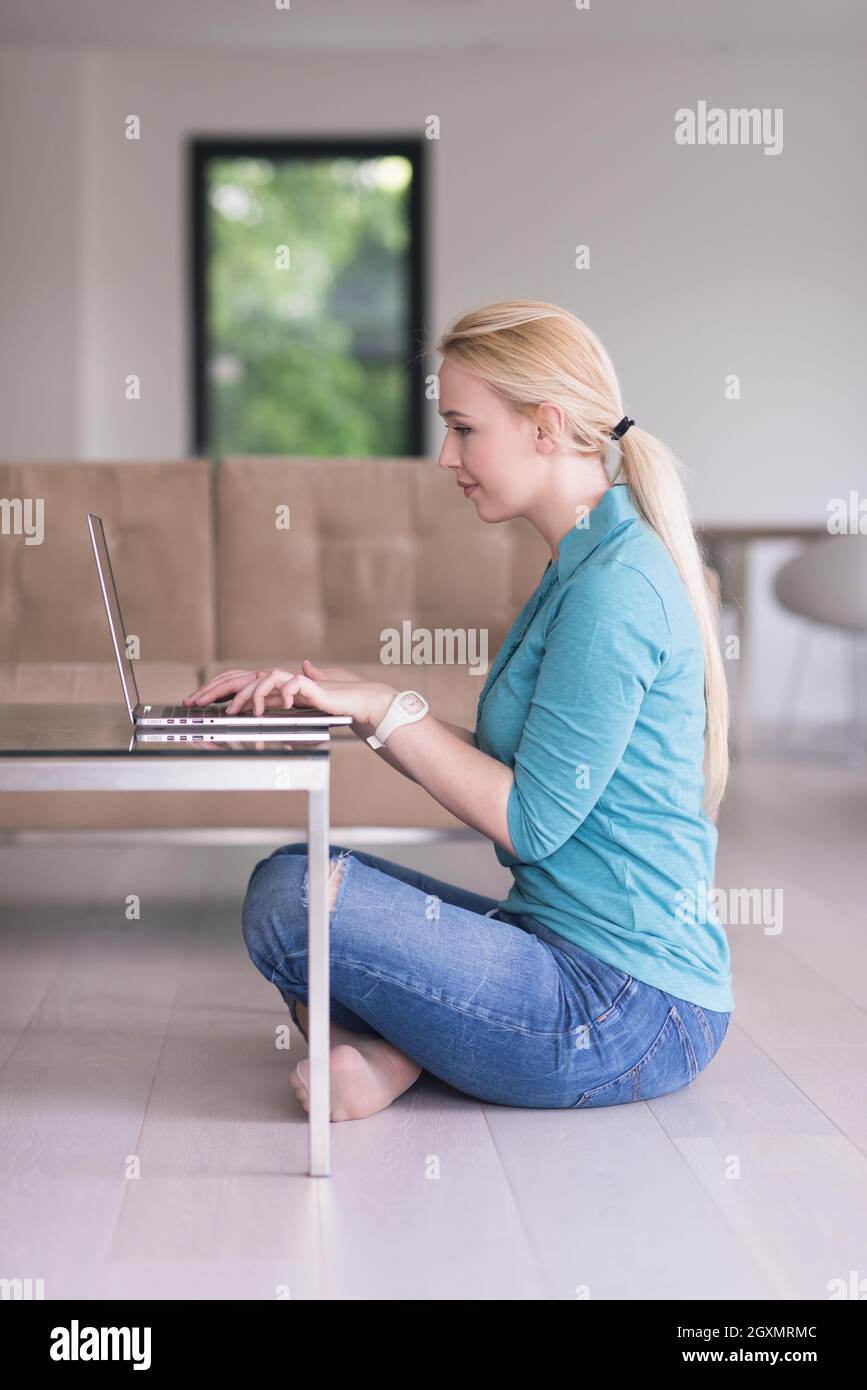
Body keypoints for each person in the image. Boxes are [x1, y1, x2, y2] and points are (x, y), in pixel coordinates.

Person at [184, 299, 734, 1122]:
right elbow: (524, 766)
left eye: (463, 428)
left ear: (544, 426)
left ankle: (401, 1047)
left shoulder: (616, 586)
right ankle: (404, 1049)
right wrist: (350, 704)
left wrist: (384, 704)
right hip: (555, 947)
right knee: (297, 878)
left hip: (625, 1006)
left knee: (291, 900)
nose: (446, 456)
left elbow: (529, 819)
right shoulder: (581, 563)